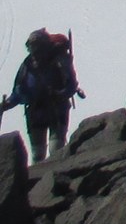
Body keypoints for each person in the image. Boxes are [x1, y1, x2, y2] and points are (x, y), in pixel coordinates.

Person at [1, 30, 84, 164]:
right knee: (45, 152)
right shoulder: (28, 65)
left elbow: (71, 85)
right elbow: (19, 91)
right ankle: (51, 181)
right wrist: (8, 104)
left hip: (51, 111)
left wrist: (58, 94)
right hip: (44, 112)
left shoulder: (53, 62)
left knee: (53, 150)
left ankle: (49, 181)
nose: (34, 51)